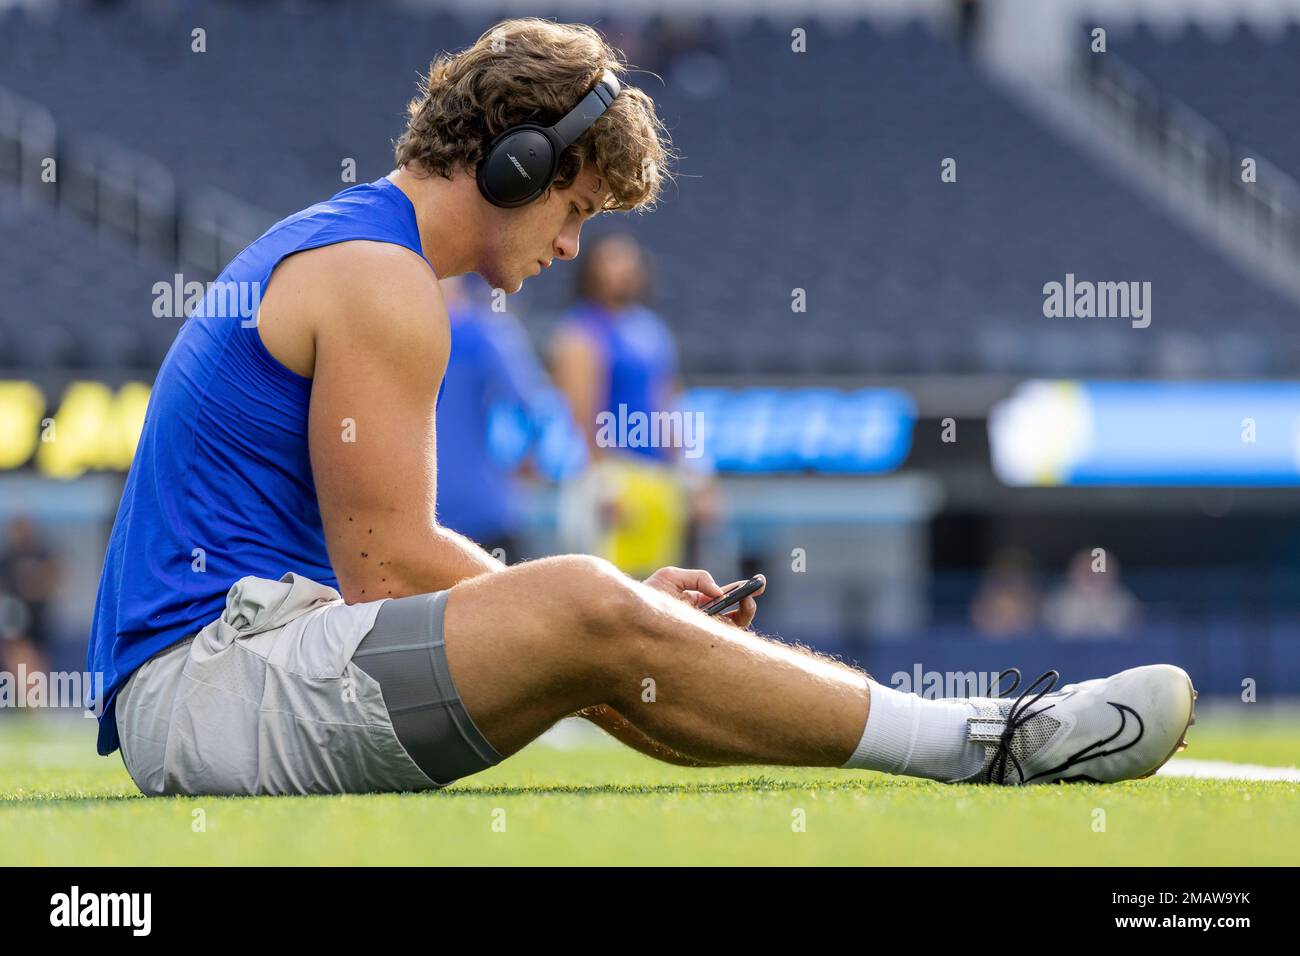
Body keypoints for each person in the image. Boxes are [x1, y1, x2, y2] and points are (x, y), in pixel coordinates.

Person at [88, 18, 1195, 797]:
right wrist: (610, 604)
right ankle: (988, 740)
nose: (571, 246)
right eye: (570, 207)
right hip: (208, 690)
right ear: (514, 166)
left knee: (609, 630)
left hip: (223, 677)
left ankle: (977, 739)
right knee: (588, 604)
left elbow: (394, 581)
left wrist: (630, 622)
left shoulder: (359, 251)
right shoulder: (384, 283)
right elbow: (385, 566)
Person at [549, 233, 718, 577]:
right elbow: (582, 415)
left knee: (659, 594)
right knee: (607, 593)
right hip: (615, 478)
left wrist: (695, 474)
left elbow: (668, 405)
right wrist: (602, 483)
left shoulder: (650, 330)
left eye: (628, 260)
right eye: (611, 260)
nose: (622, 270)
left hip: (657, 482)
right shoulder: (580, 332)